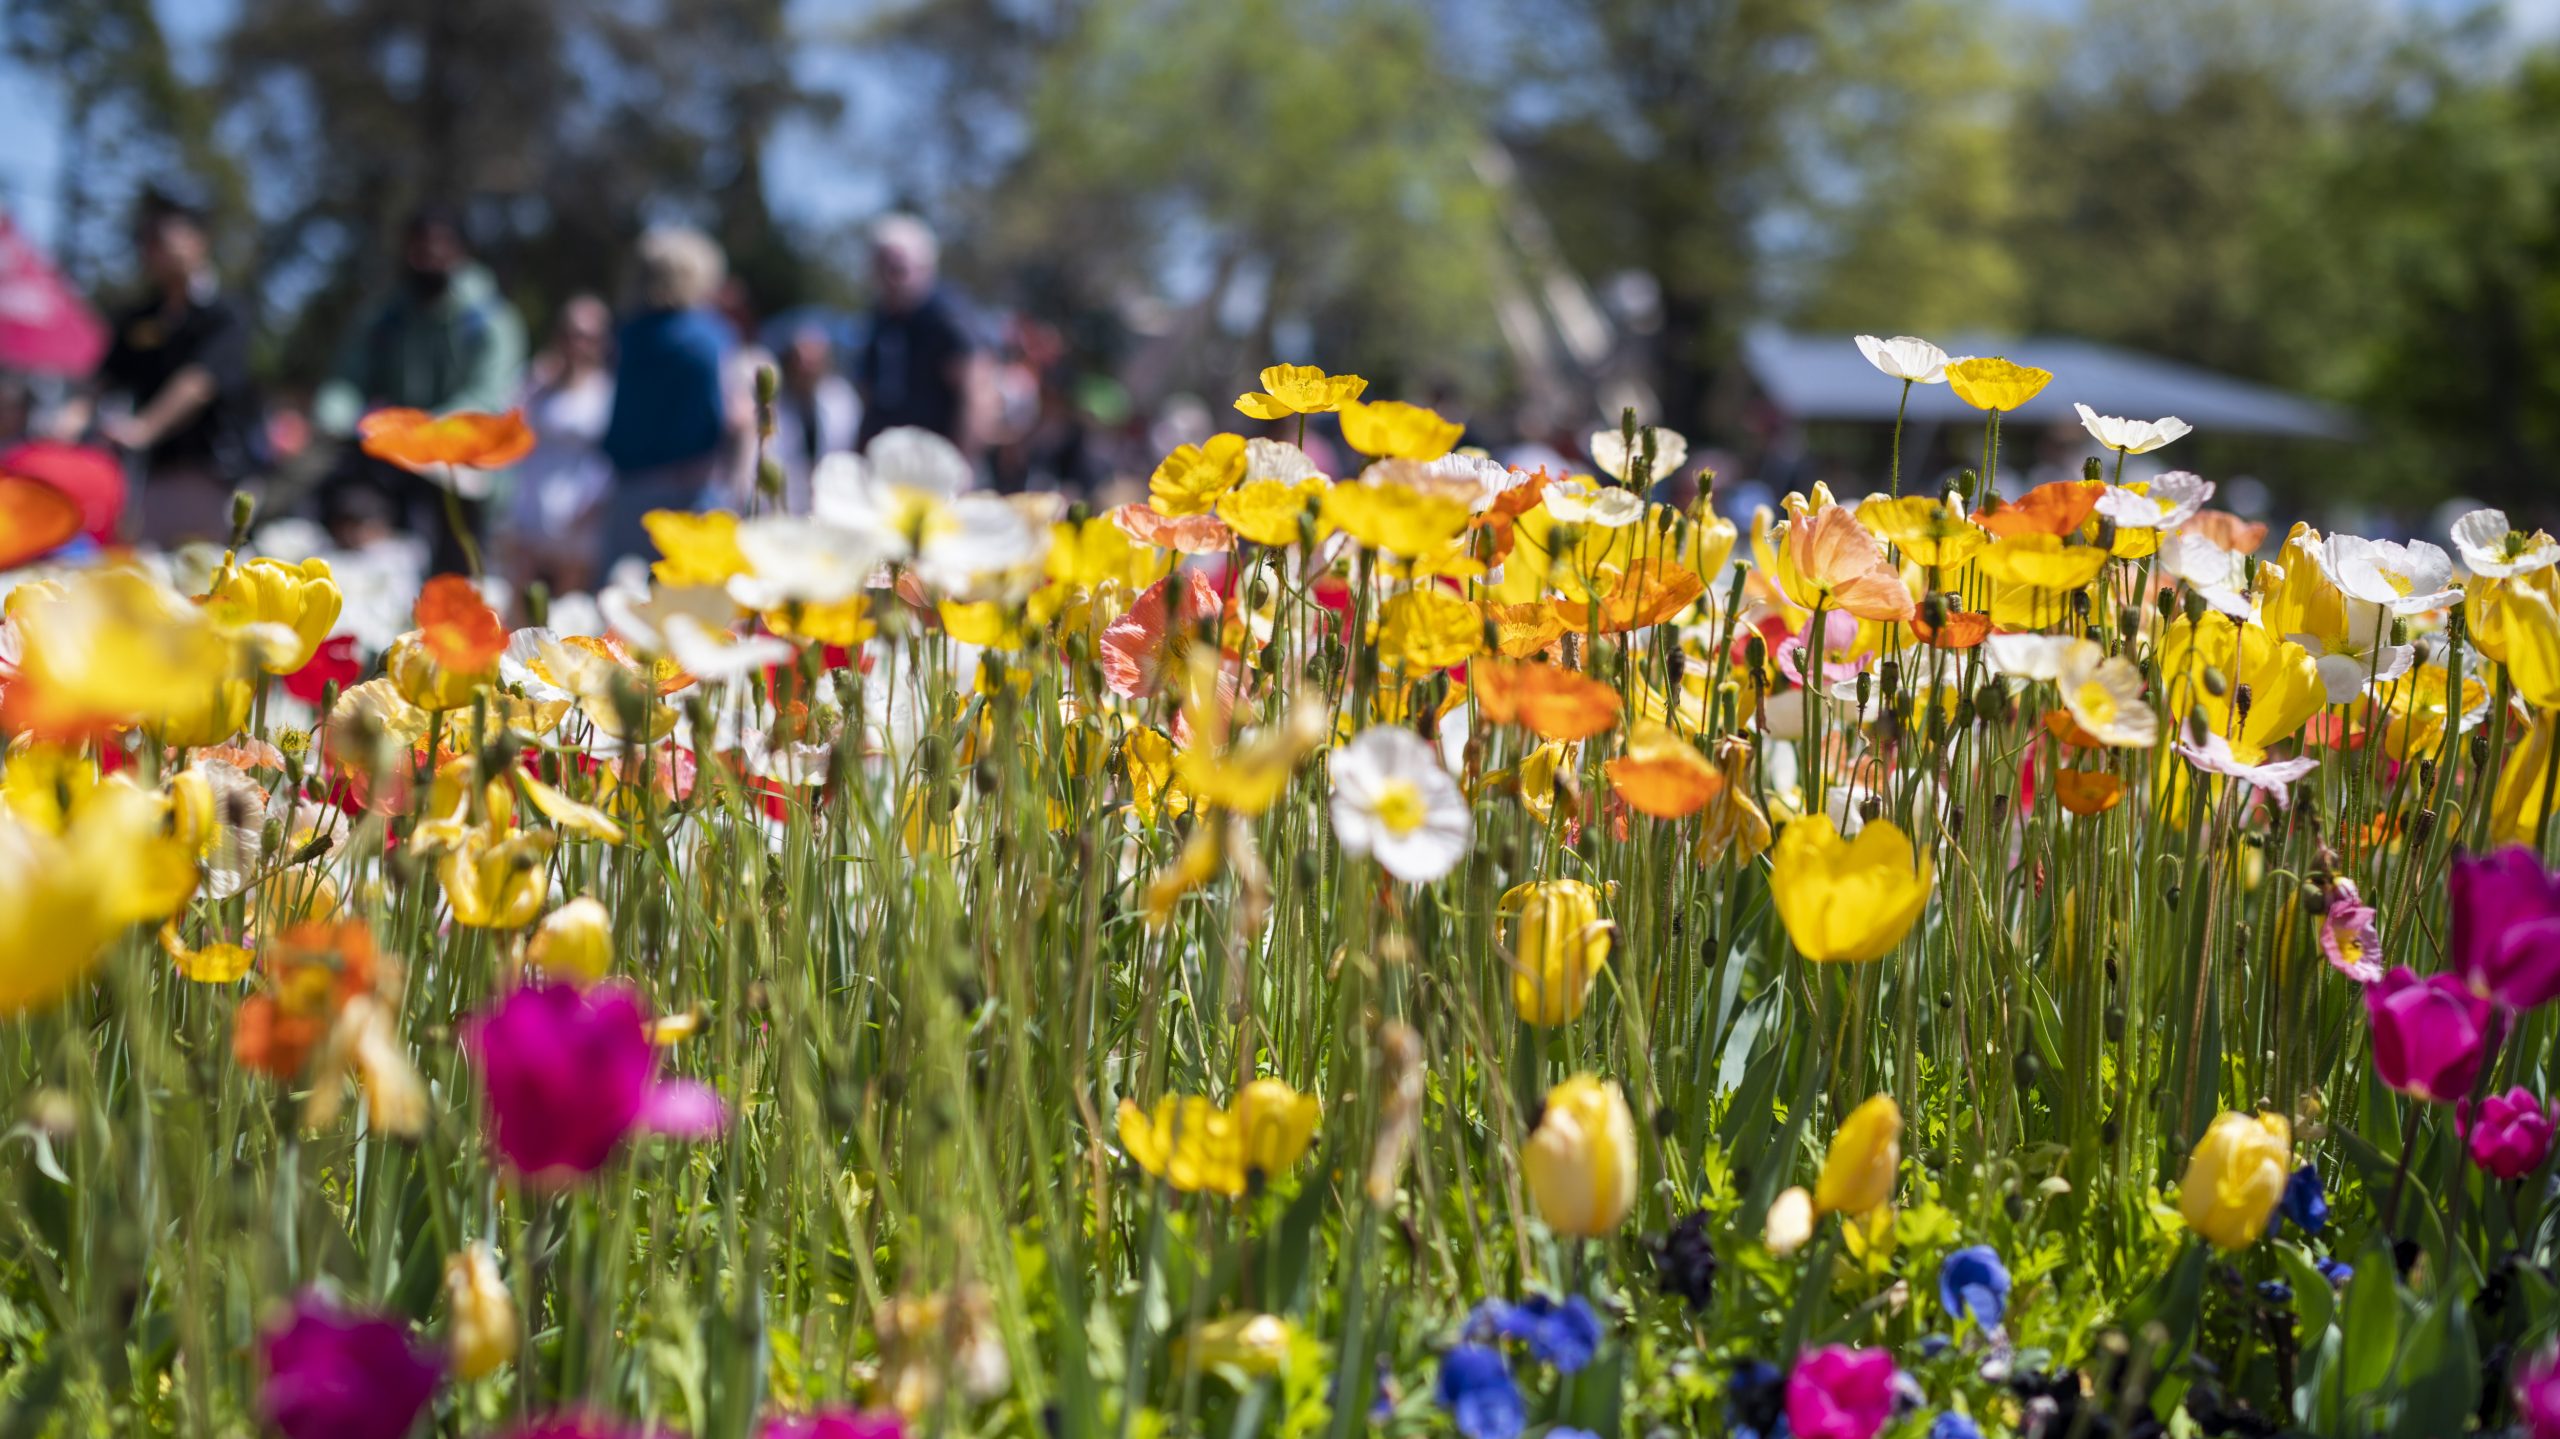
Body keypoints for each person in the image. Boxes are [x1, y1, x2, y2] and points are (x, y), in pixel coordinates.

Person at [315, 206, 527, 574]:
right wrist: (335, 415)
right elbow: (348, 381)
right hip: (393, 462)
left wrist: (419, 433)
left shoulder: (491, 321)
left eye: (441, 244)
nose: (430, 254)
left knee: (454, 568)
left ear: (462, 251)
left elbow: (487, 397)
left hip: (460, 468)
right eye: (420, 245)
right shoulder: (385, 317)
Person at [84, 186, 261, 547]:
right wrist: (69, 420)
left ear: (199, 242)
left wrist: (144, 428)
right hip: (156, 476)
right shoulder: (141, 318)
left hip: (214, 473)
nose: (153, 251)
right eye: (146, 242)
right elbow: (103, 380)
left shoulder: (225, 313)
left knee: (211, 573)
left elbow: (199, 382)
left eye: (163, 240)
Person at [599, 226, 733, 570]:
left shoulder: (627, 334)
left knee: (624, 592)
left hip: (630, 493)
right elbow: (727, 415)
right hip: (691, 493)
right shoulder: (710, 334)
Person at [499, 295, 615, 601]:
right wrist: (536, 379)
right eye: (571, 334)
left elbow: (612, 455)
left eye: (589, 337)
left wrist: (596, 502)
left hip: (581, 512)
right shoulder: (538, 381)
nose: (579, 344)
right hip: (531, 507)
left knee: (569, 607)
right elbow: (508, 421)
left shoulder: (608, 391)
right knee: (521, 605)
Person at [850, 214, 991, 458]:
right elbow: (867, 395)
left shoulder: (945, 317)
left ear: (925, 268)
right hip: (889, 458)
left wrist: (964, 462)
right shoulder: (878, 320)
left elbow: (977, 395)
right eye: (880, 269)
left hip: (937, 460)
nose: (889, 280)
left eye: (898, 270)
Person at [769, 324, 859, 513]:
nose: (806, 368)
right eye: (800, 360)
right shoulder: (774, 406)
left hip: (835, 501)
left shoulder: (842, 399)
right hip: (786, 504)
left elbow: (849, 454)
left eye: (813, 360)